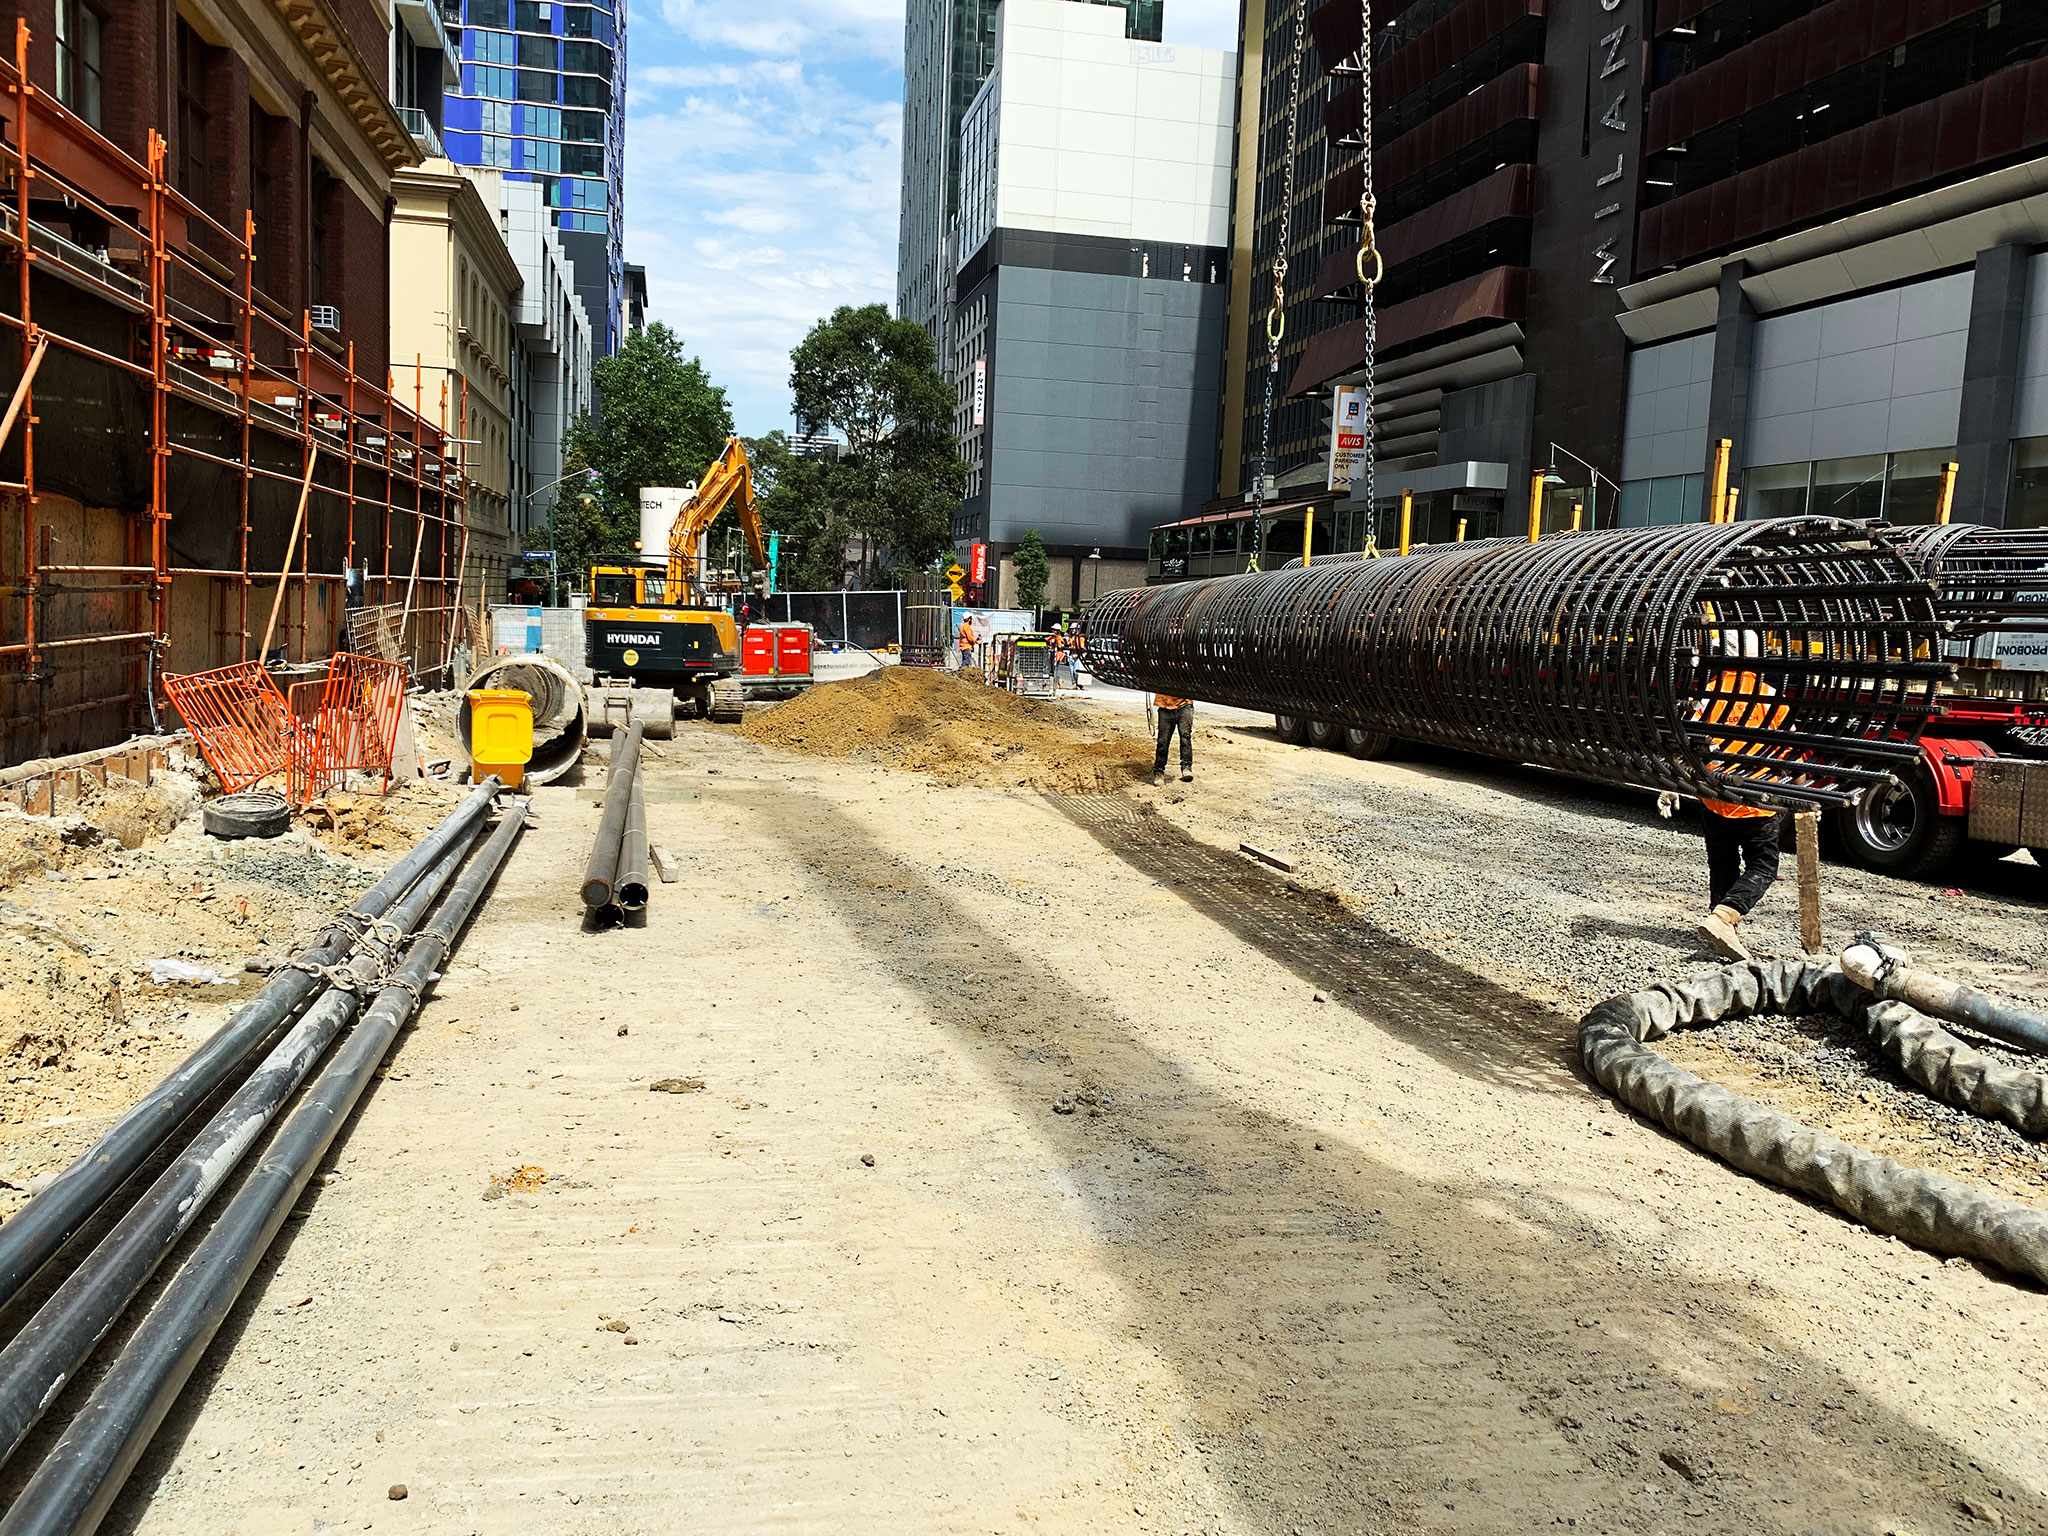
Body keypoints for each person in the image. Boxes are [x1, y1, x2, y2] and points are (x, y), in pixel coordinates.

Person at [1694, 632, 1791, 961]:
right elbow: (1787, 746)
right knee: (1763, 866)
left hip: (1715, 796)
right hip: (1756, 800)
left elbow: (1691, 739)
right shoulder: (1769, 695)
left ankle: (1719, 931)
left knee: (1722, 864)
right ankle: (1725, 917)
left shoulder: (1708, 693)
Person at [1152, 692, 1193, 785]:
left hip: (1184, 704)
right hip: (1165, 706)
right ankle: (1159, 772)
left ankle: (1186, 768)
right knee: (1163, 741)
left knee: (1185, 737)